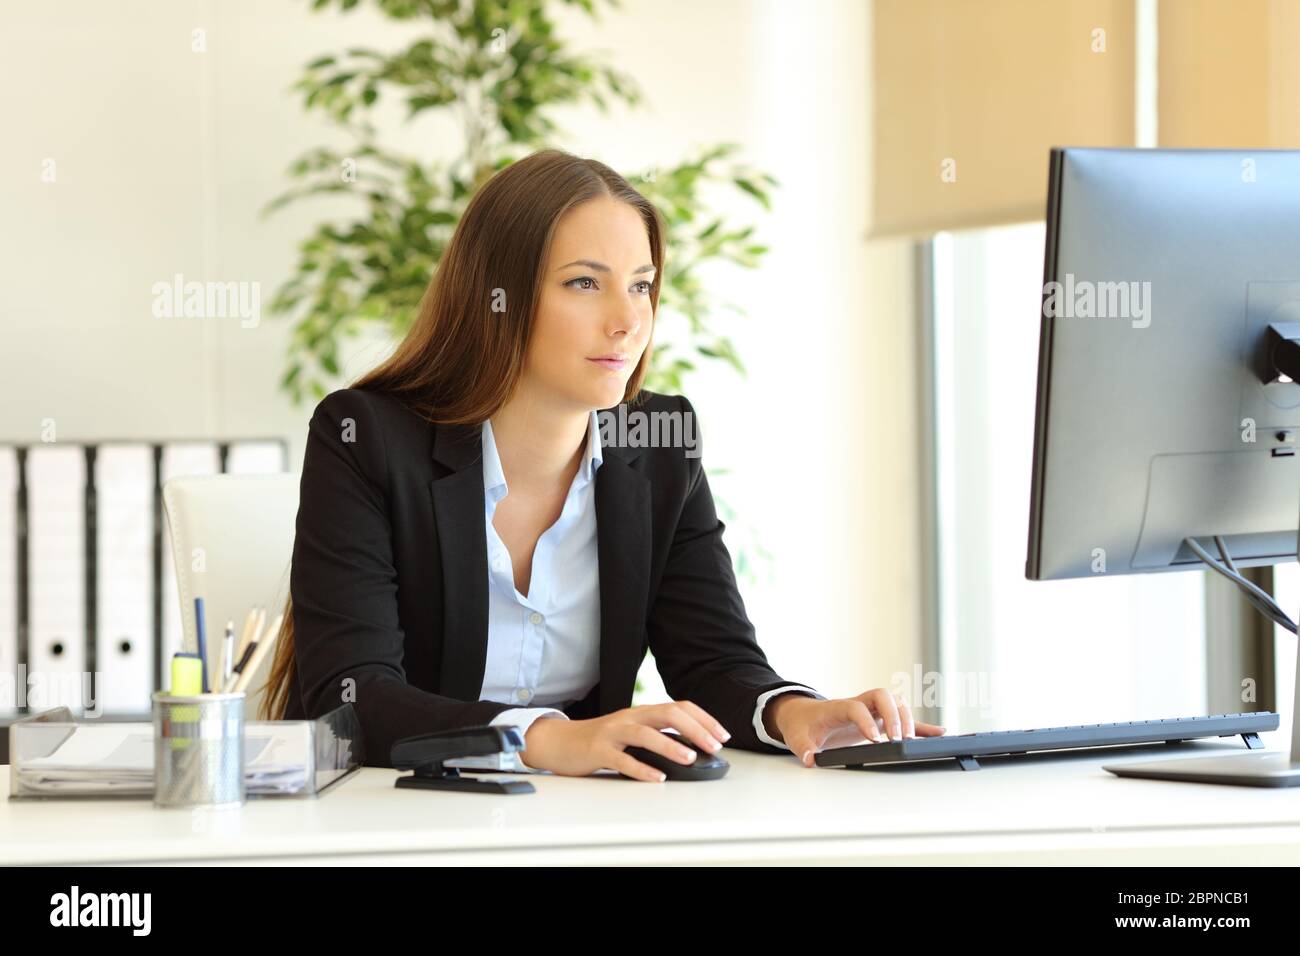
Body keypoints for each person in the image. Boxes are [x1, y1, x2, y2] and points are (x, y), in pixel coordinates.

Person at [262, 148, 945, 780]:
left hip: (583, 818)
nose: (627, 320)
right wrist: (551, 738)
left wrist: (792, 714)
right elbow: (351, 697)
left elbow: (712, 661)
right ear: (498, 298)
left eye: (642, 286)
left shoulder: (658, 440)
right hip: (399, 820)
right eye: (585, 284)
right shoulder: (368, 438)